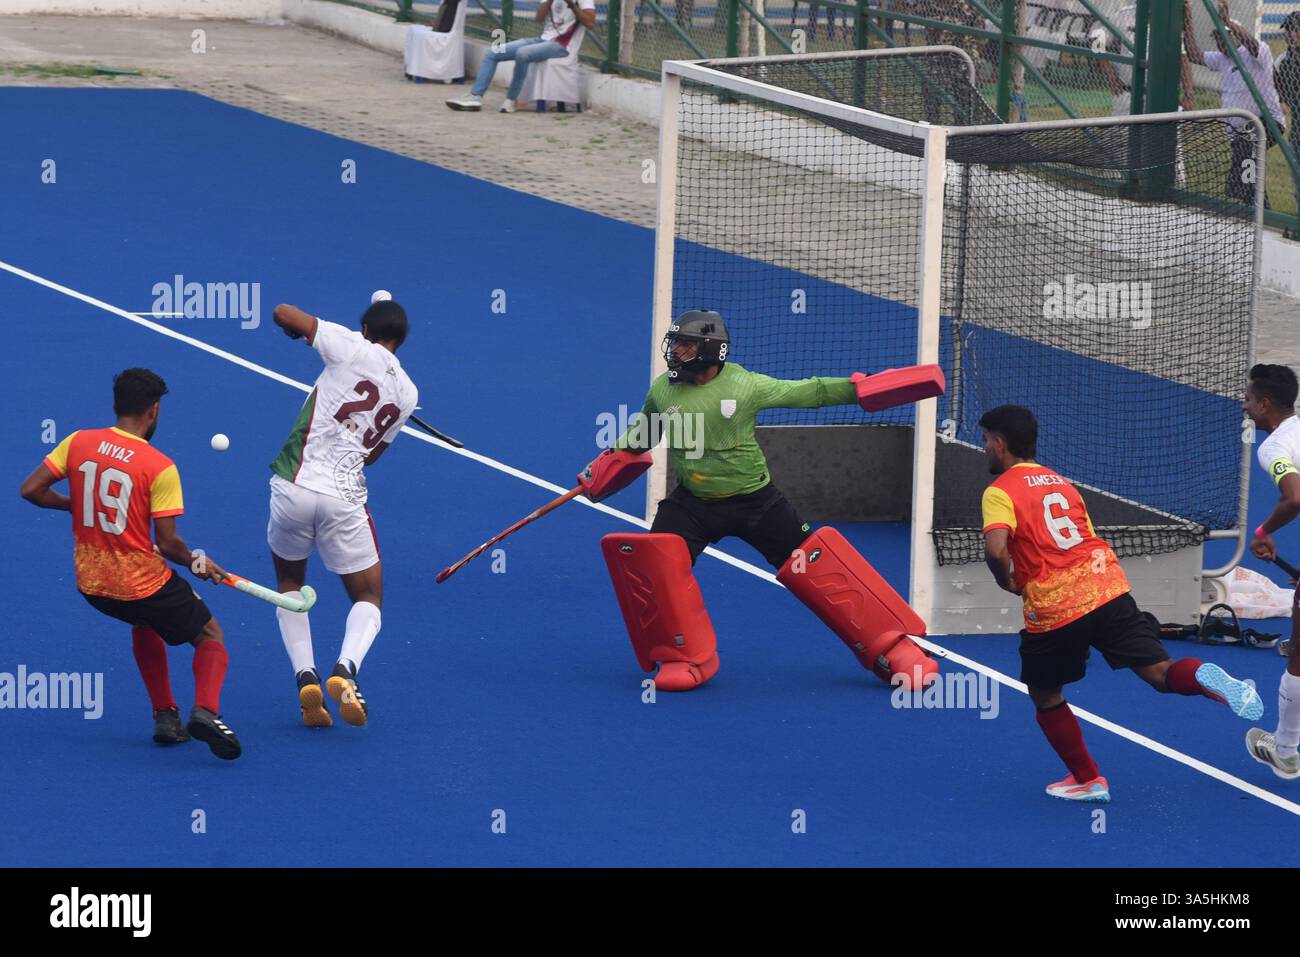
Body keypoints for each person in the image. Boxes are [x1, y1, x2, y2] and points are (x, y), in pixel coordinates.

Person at [583, 310, 938, 692]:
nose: (675, 352)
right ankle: (683, 657)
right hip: (693, 503)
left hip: (756, 502)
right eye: (675, 344)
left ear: (710, 351)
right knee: (657, 563)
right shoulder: (663, 389)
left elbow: (809, 392)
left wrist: (857, 388)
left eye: (685, 345)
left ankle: (891, 645)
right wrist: (607, 463)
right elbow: (644, 433)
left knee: (815, 565)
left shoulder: (745, 385)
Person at [979, 404, 1261, 803]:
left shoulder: (999, 491)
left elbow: (995, 549)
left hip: (1057, 607)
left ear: (1001, 444)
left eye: (986, 441)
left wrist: (1004, 578)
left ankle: (1089, 780)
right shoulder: (1063, 484)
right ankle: (1203, 677)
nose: (985, 448)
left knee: (1046, 695)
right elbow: (1085, 538)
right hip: (1108, 589)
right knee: (1161, 674)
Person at [19, 369, 241, 760]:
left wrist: (79, 504)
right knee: (209, 633)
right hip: (141, 583)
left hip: (92, 586)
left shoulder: (77, 442)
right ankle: (206, 711)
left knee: (144, 619)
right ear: (153, 411)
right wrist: (198, 562)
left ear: (115, 404)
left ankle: (165, 717)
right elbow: (169, 543)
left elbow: (31, 490)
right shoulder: (159, 466)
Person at [267, 300, 419, 728]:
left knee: (291, 583)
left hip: (294, 483)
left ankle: (305, 679)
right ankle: (346, 670)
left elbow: (282, 312)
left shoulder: (352, 345)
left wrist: (299, 333)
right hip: (344, 496)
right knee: (368, 596)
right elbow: (371, 456)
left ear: (367, 328)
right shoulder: (408, 394)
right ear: (401, 340)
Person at [1241, 364, 1300, 779]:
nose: (1245, 408)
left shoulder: (1274, 447)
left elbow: (1295, 498)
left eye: (1248, 401)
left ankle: (1285, 750)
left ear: (1265, 404)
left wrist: (1263, 531)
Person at [1184, 0, 1285, 206]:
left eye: (1224, 37)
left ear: (1235, 35)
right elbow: (1194, 54)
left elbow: (1252, 43)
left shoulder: (1257, 53)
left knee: (1246, 149)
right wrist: (1187, 19)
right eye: (1217, 39)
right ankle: (1257, 205)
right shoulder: (1222, 59)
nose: (1220, 43)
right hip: (1238, 131)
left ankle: (1245, 197)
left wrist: (1228, 20)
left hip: (1267, 121)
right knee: (1246, 160)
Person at [446, 0, 596, 114]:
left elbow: (590, 23)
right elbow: (538, 18)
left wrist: (571, 5)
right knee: (493, 53)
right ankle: (475, 97)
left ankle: (512, 99)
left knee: (523, 53)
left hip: (563, 46)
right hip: (543, 39)